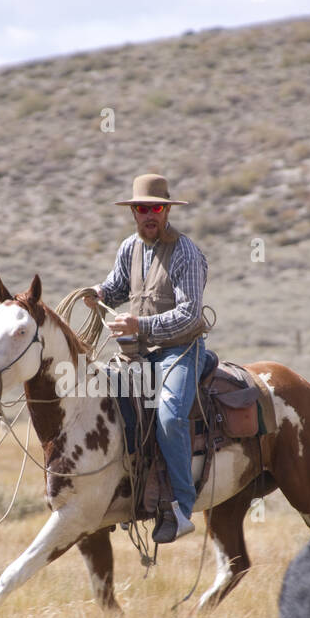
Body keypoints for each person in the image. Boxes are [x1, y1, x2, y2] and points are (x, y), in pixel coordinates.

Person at [85, 173, 208, 543]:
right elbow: (118, 287)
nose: (148, 215)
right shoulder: (129, 248)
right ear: (133, 213)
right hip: (138, 357)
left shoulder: (186, 252)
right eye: (141, 208)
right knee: (101, 400)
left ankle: (181, 508)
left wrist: (140, 325)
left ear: (167, 210)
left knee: (170, 415)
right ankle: (128, 491)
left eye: (155, 208)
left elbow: (190, 314)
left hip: (181, 352)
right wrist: (97, 291)